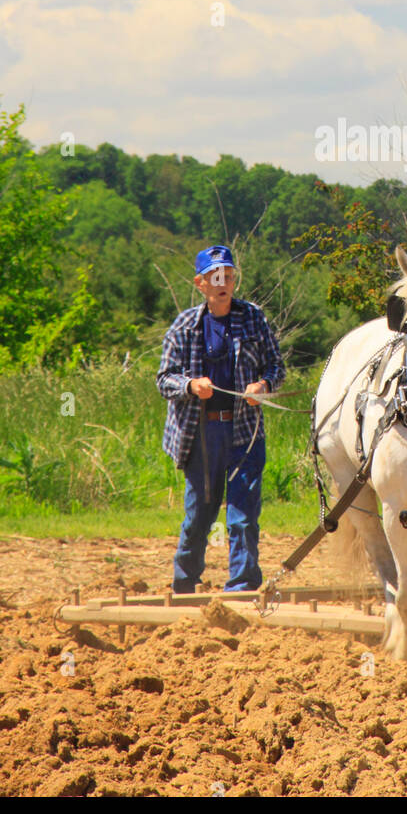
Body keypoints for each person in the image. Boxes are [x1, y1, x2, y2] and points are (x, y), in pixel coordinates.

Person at [157, 245, 285, 592]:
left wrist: (263, 385)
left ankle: (242, 586)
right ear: (200, 283)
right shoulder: (185, 325)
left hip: (244, 430)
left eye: (227, 275)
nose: (222, 281)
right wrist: (190, 385)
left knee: (243, 516)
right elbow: (164, 379)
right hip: (200, 435)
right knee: (200, 515)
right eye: (215, 276)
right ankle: (184, 584)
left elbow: (276, 367)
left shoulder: (254, 317)